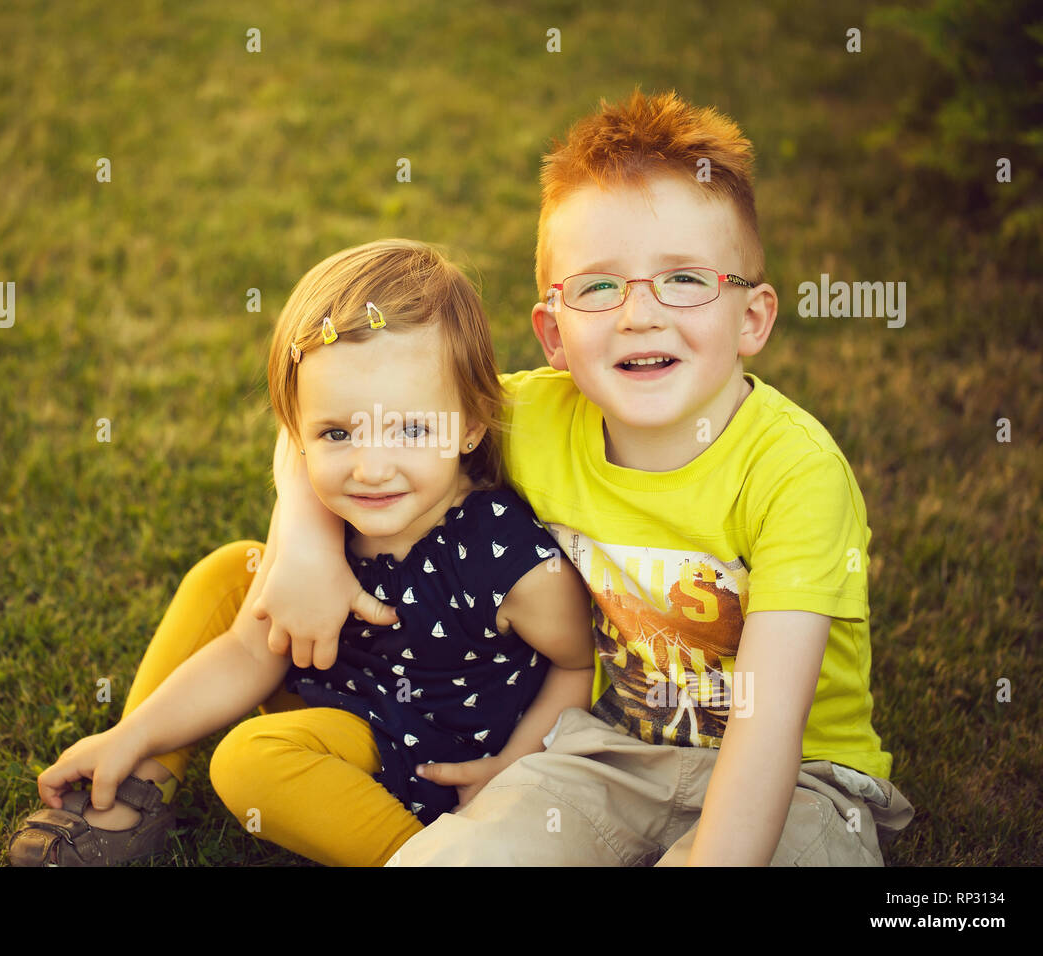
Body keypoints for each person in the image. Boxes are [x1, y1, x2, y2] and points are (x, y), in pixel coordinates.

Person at [260, 91, 916, 866]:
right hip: (602, 750)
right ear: (554, 334)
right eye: (600, 287)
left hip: (800, 778)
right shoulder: (529, 414)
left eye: (684, 279)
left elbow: (767, 722)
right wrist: (302, 537)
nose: (640, 315)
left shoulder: (796, 475)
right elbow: (341, 418)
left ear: (753, 318)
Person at [7, 238, 596, 867]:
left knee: (249, 761)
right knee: (233, 569)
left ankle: (423, 857)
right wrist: (133, 730)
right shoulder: (327, 514)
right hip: (329, 690)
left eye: (413, 428)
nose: (371, 468)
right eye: (337, 433)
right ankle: (136, 773)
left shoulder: (505, 559)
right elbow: (246, 649)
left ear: (472, 425)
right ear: (299, 430)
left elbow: (575, 666)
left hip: (415, 748)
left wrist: (511, 770)